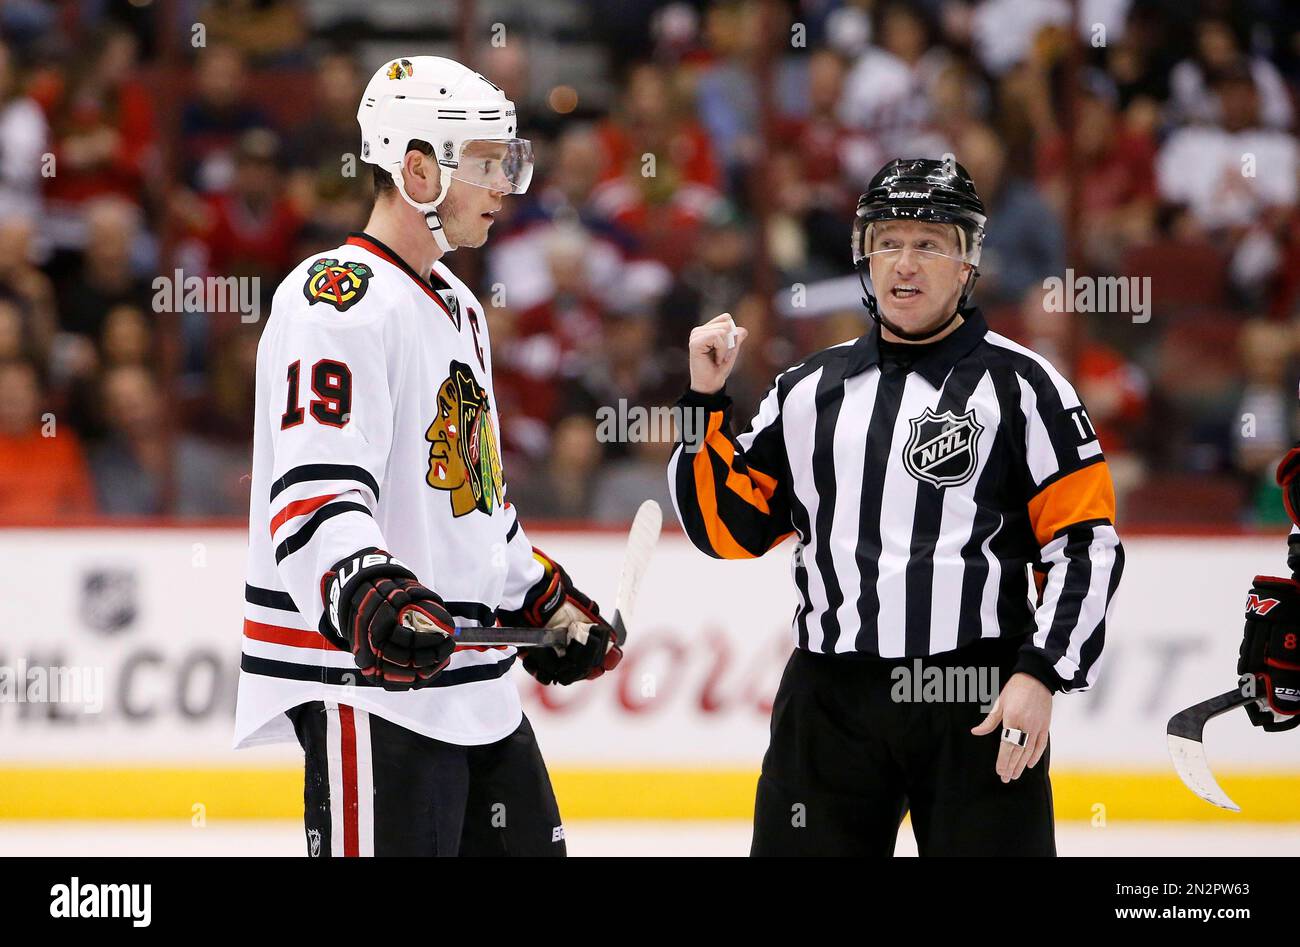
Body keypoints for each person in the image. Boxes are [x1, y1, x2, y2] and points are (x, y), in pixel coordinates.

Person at [667, 158, 1124, 856]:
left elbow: (1086, 544)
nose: (904, 264)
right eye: (888, 241)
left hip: (975, 694)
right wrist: (703, 403)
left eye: (929, 243)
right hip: (830, 704)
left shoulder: (1027, 388)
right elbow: (726, 530)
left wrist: (1041, 672)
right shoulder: (807, 390)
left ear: (968, 259)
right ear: (863, 253)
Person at [233, 56, 622, 857]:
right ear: (416, 170)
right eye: (485, 164)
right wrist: (366, 592)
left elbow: (474, 502)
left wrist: (541, 597)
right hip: (371, 685)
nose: (505, 186)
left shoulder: (458, 304)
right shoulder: (332, 299)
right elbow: (312, 493)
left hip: (476, 690)